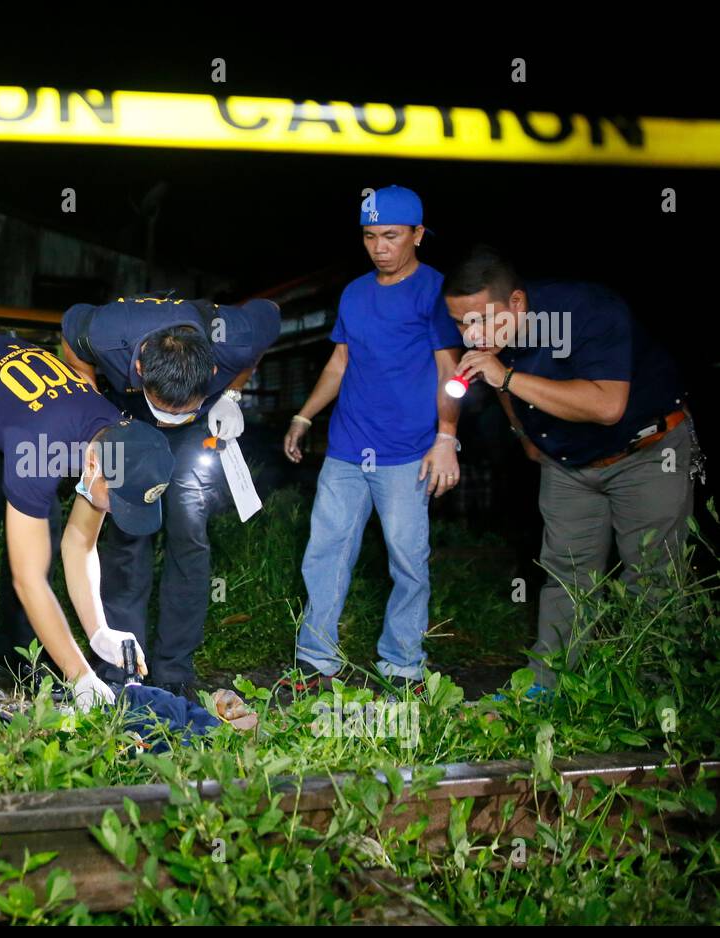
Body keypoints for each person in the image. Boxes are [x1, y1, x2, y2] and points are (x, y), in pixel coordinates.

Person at [443, 245, 698, 695]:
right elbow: (503, 383)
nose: (471, 334)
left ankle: (652, 698)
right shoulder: (498, 340)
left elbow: (607, 406)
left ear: (517, 303)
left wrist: (503, 377)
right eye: (461, 323)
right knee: (566, 573)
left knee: (653, 575)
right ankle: (548, 689)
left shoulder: (588, 310)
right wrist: (523, 434)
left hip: (646, 450)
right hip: (568, 462)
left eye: (481, 320)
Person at [0, 333, 175, 708]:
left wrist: (99, 632)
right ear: (93, 466)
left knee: (44, 525)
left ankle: (18, 654)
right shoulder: (41, 448)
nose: (112, 512)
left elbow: (79, 545)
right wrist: (81, 676)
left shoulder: (115, 438)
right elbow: (28, 580)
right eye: (117, 501)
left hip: (3, 399)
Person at [283, 186, 463, 689]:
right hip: (345, 446)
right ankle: (316, 659)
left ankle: (403, 664)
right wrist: (304, 415)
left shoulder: (435, 292)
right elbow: (341, 361)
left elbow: (450, 369)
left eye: (392, 235)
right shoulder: (355, 292)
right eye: (370, 236)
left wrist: (446, 437)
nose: (380, 246)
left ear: (417, 235)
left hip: (408, 451)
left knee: (407, 559)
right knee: (326, 551)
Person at [58, 295, 280, 696]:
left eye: (174, 412)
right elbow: (71, 332)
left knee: (189, 535)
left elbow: (269, 318)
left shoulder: (235, 338)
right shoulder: (108, 333)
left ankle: (175, 670)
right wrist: (92, 411)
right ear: (139, 368)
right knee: (127, 537)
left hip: (197, 429)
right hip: (128, 413)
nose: (167, 420)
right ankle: (122, 666)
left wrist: (232, 395)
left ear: (213, 368)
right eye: (165, 410)